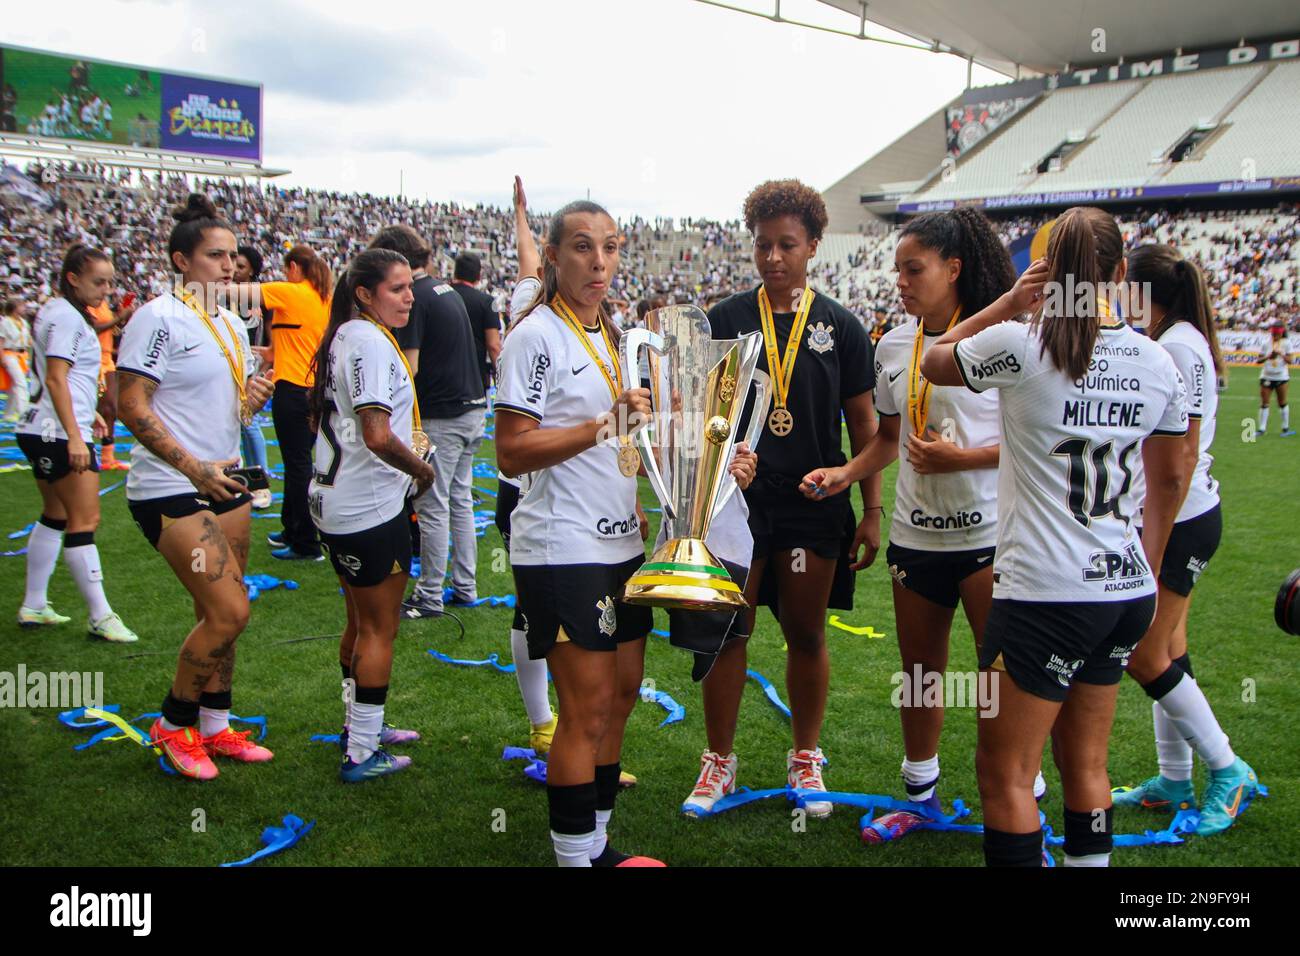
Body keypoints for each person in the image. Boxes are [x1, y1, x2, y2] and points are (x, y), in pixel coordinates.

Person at [919, 206, 1191, 867]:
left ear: (1045, 272)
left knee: (1007, 774)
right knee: (1087, 766)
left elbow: (933, 359)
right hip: (1122, 590)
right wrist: (1148, 565)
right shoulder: (1157, 361)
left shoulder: (1020, 341)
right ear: (1119, 273)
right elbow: (1173, 475)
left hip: (1044, 593)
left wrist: (1009, 302)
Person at [800, 207, 1027, 838]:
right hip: (916, 537)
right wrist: (846, 474)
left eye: (914, 268)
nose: (900, 280)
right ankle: (920, 795)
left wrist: (965, 457)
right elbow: (889, 439)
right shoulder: (894, 345)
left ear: (953, 270)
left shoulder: (1002, 339)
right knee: (921, 674)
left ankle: (1017, 798)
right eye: (897, 269)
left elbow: (1032, 442)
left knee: (997, 677)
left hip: (989, 538)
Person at [683, 180, 882, 817]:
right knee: (727, 631)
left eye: (786, 245)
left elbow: (867, 427)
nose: (773, 258)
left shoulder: (841, 326)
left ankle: (805, 757)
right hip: (737, 503)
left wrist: (866, 501)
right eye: (763, 245)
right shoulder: (727, 320)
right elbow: (702, 417)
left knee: (805, 631)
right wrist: (722, 458)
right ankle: (720, 762)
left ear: (813, 246)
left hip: (813, 503)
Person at [495, 197, 659, 867]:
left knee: (619, 699)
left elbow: (614, 439)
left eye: (611, 247)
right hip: (564, 546)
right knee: (584, 709)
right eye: (584, 247)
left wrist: (636, 488)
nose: (599, 261)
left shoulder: (608, 333)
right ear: (555, 256)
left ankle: (596, 844)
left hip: (621, 541)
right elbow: (511, 449)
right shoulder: (537, 335)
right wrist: (603, 427)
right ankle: (574, 860)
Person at [117, 194, 276, 778]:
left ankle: (215, 725)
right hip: (172, 486)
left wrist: (247, 402)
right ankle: (174, 724)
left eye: (233, 255)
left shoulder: (230, 321)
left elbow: (220, 409)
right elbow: (129, 404)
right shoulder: (159, 316)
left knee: (219, 611)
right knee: (230, 611)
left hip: (225, 478)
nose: (229, 265)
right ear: (182, 262)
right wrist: (193, 469)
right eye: (215, 255)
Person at [1115, 244, 1260, 836]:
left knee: (1144, 655)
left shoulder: (1173, 345)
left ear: (1142, 292)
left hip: (1177, 517)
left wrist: (1154, 534)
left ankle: (1228, 768)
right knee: (1169, 651)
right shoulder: (1186, 338)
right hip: (1187, 512)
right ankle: (1174, 778)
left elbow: (1183, 451)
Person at [307, 248, 432, 781]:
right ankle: (360, 749)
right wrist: (421, 472)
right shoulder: (369, 342)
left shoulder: (348, 334)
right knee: (379, 629)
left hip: (338, 501)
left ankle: (359, 725)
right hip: (367, 506)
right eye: (397, 288)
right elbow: (377, 433)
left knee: (359, 624)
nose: (409, 297)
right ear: (365, 293)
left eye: (409, 287)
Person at [14, 245, 137, 642]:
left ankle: (34, 603)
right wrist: (73, 433)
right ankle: (100, 615)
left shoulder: (57, 311)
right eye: (98, 282)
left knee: (56, 514)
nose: (105, 290)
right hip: (56, 432)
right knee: (85, 520)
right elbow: (56, 377)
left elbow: (62, 380)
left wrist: (89, 415)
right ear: (73, 278)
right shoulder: (67, 317)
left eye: (109, 282)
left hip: (41, 426)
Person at [366, 226, 487, 620]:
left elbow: (410, 365)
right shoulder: (445, 290)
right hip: (470, 409)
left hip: (442, 414)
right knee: (459, 502)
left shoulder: (415, 297)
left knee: (433, 506)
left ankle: (430, 594)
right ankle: (465, 585)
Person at [231, 244, 332, 559]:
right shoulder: (323, 298)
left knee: (298, 465)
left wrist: (189, 286)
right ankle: (292, 528)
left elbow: (235, 294)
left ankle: (306, 542)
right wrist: (267, 354)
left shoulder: (292, 291)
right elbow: (299, 342)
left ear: (294, 268)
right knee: (298, 462)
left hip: (293, 387)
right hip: (314, 389)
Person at [232, 244, 272, 509]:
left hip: (251, 365)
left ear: (253, 272)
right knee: (236, 423)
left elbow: (271, 333)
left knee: (249, 422)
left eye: (241, 266)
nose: (234, 271)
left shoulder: (261, 297)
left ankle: (260, 485)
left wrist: (270, 354)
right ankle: (242, 479)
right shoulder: (221, 296)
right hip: (228, 364)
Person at [451, 251, 503, 392]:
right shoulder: (487, 302)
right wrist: (503, 380)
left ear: (455, 272)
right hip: (473, 379)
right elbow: (494, 346)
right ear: (478, 275)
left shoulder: (439, 296)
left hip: (439, 379)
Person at [1, 296, 31, 423]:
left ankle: (8, 414)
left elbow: (28, 340)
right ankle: (24, 413)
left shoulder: (24, 323)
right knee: (21, 383)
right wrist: (2, 358)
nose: (24, 308)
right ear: (14, 308)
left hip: (22, 355)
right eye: (21, 306)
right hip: (9, 354)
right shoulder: (5, 322)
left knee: (14, 385)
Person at [1256, 339, 1292, 437]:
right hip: (1267, 376)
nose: (1275, 335)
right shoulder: (1265, 342)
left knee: (1282, 402)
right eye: (1273, 332)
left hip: (1281, 377)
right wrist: (1269, 356)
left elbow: (1290, 361)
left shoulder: (1286, 343)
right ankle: (1262, 429)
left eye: (1277, 332)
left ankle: (1285, 428)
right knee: (1264, 402)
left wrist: (1281, 354)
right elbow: (1258, 360)